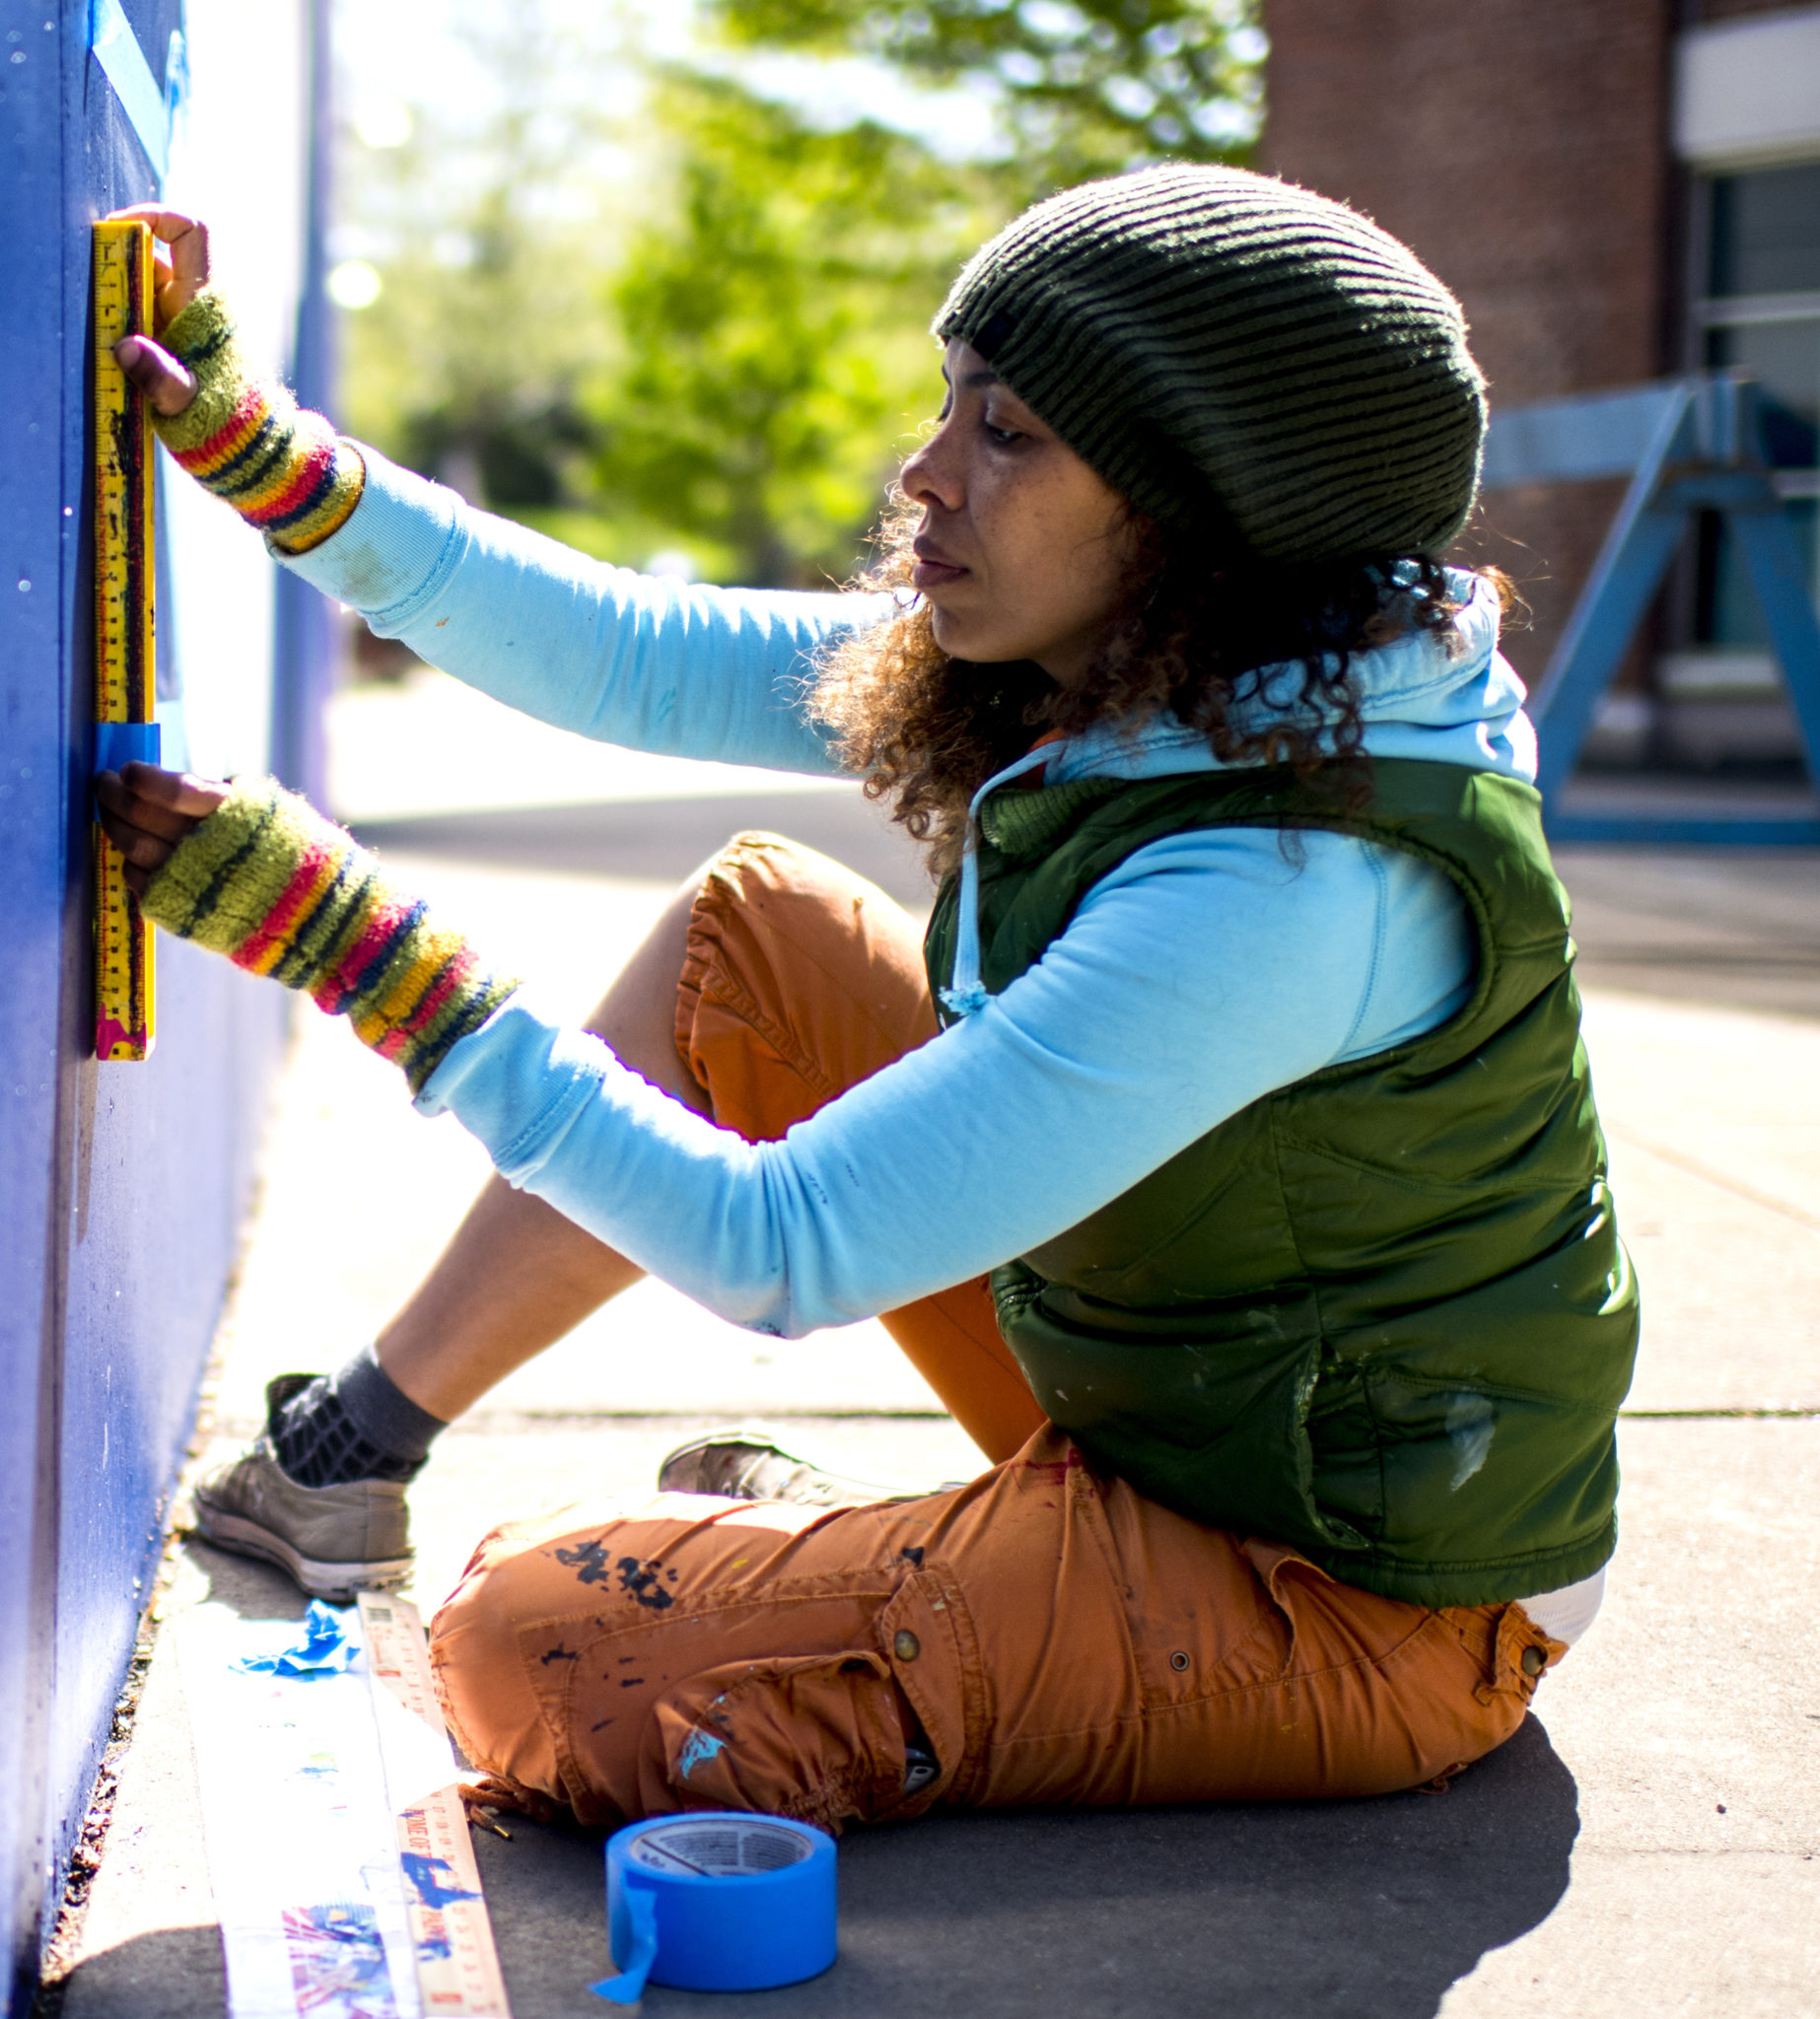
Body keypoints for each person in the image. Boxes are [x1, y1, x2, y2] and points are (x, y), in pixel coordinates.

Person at [98, 166, 1637, 1834]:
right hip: (1179, 1408)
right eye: (950, 408)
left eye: (1007, 433)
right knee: (751, 935)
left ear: (1204, 508)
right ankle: (354, 1453)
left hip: (1354, 1594)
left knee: (535, 1657)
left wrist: (361, 952)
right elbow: (628, 654)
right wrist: (268, 455)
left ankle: (904, 1579)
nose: (924, 475)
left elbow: (788, 1249)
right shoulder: (1187, 672)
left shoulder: (1293, 878)